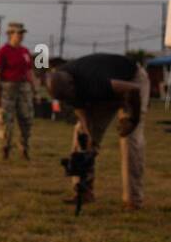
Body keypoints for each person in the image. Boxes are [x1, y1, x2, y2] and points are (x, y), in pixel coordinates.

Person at [47, 52, 149, 210]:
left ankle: (133, 200)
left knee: (130, 140)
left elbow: (133, 90)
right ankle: (83, 192)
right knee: (81, 136)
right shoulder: (64, 85)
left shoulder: (95, 80)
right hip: (103, 94)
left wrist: (132, 120)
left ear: (73, 85)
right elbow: (79, 106)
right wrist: (88, 132)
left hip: (131, 82)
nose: (70, 98)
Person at [0, 21, 35, 160]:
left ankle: (24, 148)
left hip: (24, 89)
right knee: (6, 121)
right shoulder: (3, 52)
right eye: (18, 33)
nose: (21, 36)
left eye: (22, 33)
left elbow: (29, 71)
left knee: (26, 119)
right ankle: (5, 149)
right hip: (8, 89)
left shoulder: (25, 51)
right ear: (10, 34)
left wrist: (35, 89)